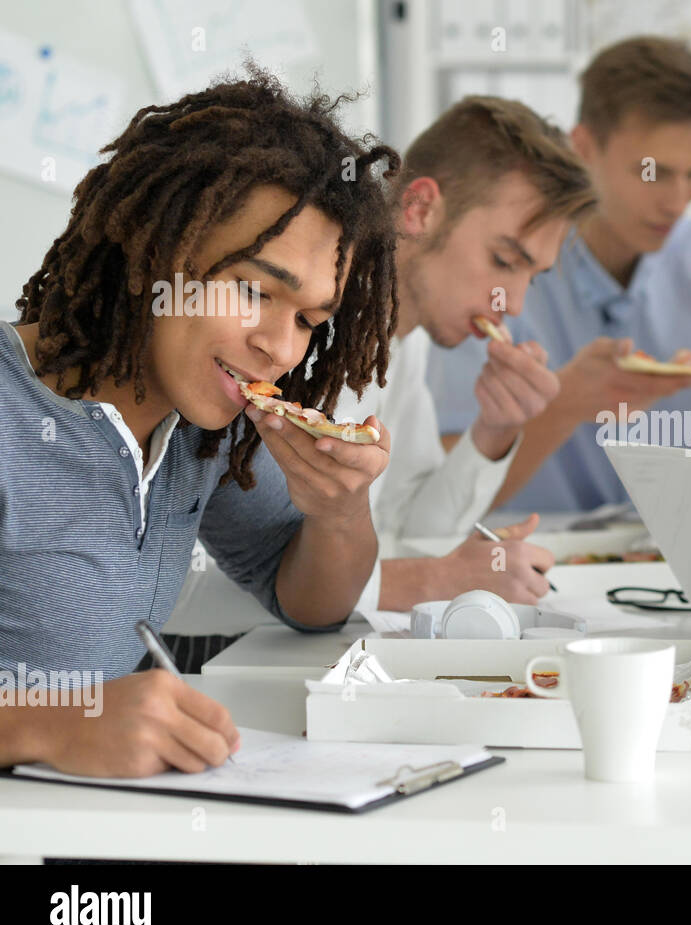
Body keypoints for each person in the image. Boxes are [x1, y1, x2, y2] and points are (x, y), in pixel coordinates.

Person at [0, 70, 400, 776]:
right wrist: (54, 725)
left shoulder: (202, 427)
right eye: (254, 289)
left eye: (308, 319)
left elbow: (310, 603)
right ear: (156, 249)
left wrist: (339, 512)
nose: (280, 347)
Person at [167, 96, 596, 635]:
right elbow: (231, 566)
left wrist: (495, 431)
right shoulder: (273, 337)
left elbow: (407, 529)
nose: (513, 302)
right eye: (504, 262)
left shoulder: (402, 342)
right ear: (418, 210)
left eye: (532, 275)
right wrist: (429, 580)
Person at [433, 35, 691, 513]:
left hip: (668, 568)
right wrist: (567, 404)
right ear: (582, 147)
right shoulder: (505, 267)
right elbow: (444, 497)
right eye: (654, 173)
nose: (678, 200)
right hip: (522, 559)